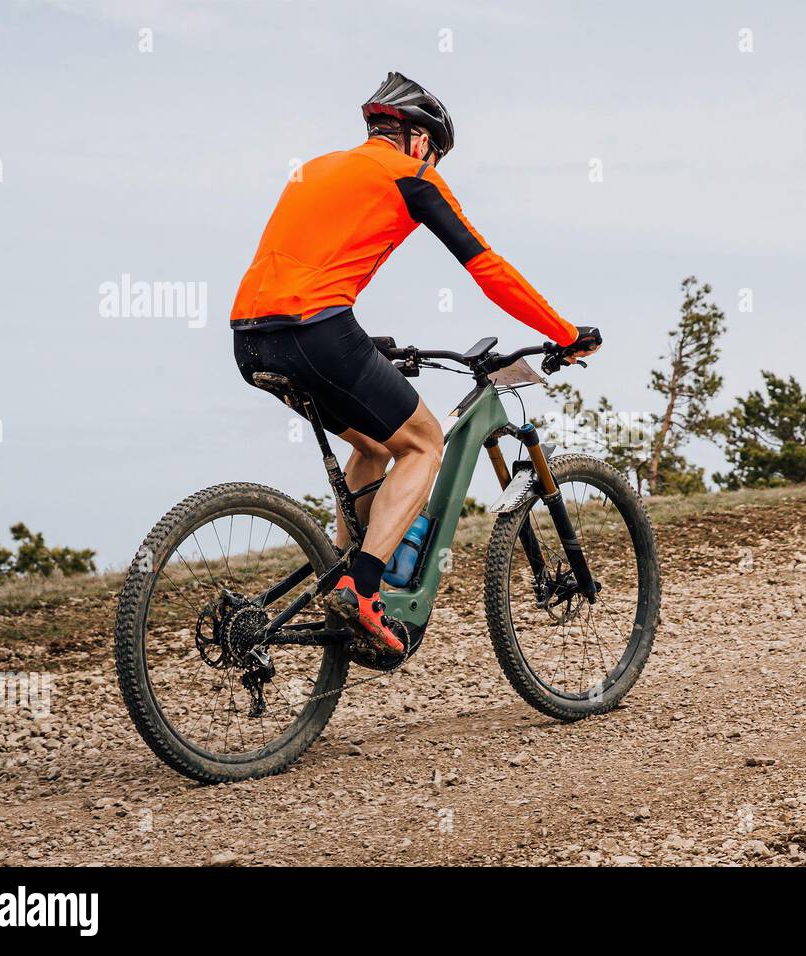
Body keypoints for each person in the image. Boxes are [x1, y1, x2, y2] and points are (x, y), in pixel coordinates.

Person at [231, 71, 601, 655]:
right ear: (420, 139)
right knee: (424, 443)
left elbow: (309, 260)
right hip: (317, 330)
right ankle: (366, 589)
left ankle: (346, 573)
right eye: (438, 154)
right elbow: (487, 268)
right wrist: (564, 333)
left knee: (376, 446)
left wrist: (360, 341)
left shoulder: (322, 167)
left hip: (252, 337)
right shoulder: (411, 175)